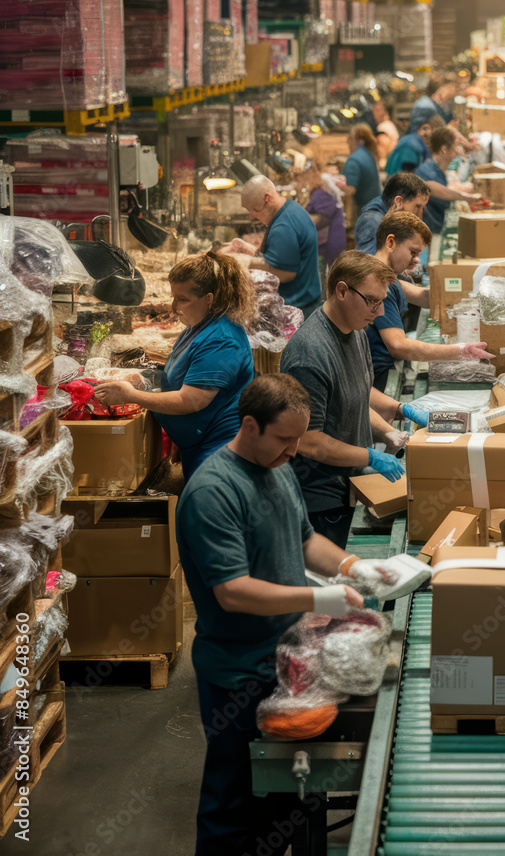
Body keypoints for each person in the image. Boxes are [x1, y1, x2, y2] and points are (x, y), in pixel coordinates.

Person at [177, 373, 429, 856]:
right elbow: (232, 592)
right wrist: (316, 601)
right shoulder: (214, 492)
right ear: (249, 425)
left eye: (298, 438)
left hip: (287, 660)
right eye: (285, 439)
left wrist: (355, 566)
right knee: (232, 807)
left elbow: (304, 539)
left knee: (287, 801)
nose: (294, 450)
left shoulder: (276, 466)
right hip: (239, 672)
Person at [280, 250, 425, 547]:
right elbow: (308, 440)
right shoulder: (309, 356)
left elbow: (355, 393)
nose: (380, 311)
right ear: (342, 291)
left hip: (352, 483)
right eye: (372, 300)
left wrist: (393, 423)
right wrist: (370, 456)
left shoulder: (356, 328)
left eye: (383, 301)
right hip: (323, 501)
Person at [92, 252, 256, 480]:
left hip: (219, 455)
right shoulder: (197, 327)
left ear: (209, 299)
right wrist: (145, 381)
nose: (173, 307)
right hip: (198, 444)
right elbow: (183, 375)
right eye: (173, 297)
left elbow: (190, 400)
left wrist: (133, 395)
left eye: (183, 299)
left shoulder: (221, 339)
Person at [368, 211, 494, 392]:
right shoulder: (379, 282)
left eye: (418, 254)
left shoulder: (387, 276)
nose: (417, 260)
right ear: (390, 242)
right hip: (377, 376)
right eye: (413, 252)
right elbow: (398, 345)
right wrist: (460, 351)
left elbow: (423, 296)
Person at [235, 174, 322, 319]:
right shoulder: (291, 209)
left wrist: (247, 261)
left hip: (297, 310)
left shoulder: (283, 226)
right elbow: (284, 256)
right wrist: (250, 250)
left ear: (267, 198)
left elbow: (285, 273)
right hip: (307, 301)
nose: (251, 216)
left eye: (254, 210)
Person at [413, 126, 479, 234]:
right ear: (444, 150)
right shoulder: (428, 171)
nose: (458, 151)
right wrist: (467, 198)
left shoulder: (438, 169)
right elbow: (431, 187)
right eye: (456, 146)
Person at [354, 171, 431, 256]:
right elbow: (370, 266)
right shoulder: (372, 222)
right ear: (398, 202)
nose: (420, 216)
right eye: (417, 207)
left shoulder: (389, 211)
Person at [305, 172, 346, 275]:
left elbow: (321, 219)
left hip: (328, 246)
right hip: (337, 243)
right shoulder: (327, 197)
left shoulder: (321, 195)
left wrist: (298, 217)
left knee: (325, 273)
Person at [341, 123, 382, 211]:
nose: (348, 141)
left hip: (364, 210)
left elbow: (349, 190)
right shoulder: (368, 154)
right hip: (375, 207)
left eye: (350, 137)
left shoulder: (354, 160)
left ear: (359, 141)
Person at [372, 99, 399, 165]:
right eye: (374, 110)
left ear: (386, 112)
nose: (374, 112)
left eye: (378, 110)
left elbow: (386, 144)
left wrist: (383, 159)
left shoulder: (384, 126)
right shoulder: (388, 125)